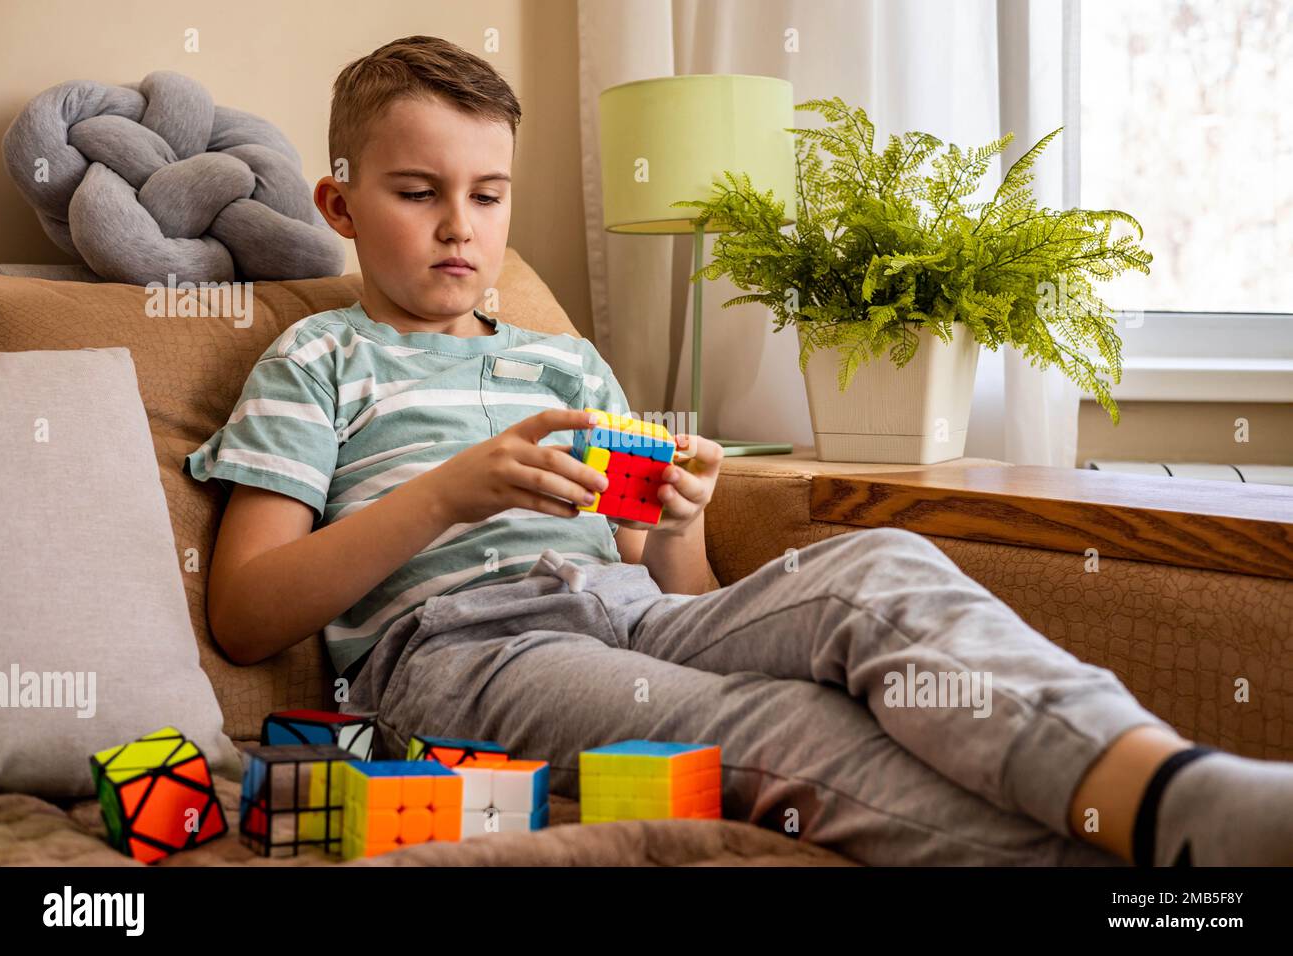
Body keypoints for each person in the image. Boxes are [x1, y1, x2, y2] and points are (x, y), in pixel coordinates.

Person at [185, 35, 1293, 866]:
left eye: (487, 194)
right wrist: (443, 497)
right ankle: (1153, 862)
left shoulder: (565, 364)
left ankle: (1177, 789)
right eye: (418, 193)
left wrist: (676, 520)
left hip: (633, 608)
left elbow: (682, 592)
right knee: (781, 728)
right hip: (457, 654)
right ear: (339, 200)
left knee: (879, 568)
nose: (458, 227)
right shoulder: (318, 357)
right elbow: (245, 608)